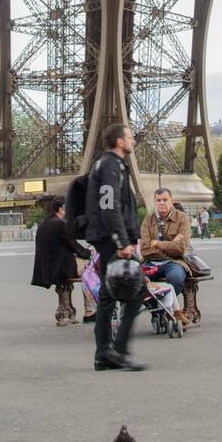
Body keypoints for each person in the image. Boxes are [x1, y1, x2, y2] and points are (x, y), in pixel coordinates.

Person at [84, 122, 145, 372]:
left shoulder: (108, 164)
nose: (133, 140)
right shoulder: (110, 165)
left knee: (109, 296)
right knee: (135, 289)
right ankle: (118, 350)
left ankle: (103, 354)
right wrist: (121, 242)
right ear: (119, 142)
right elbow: (109, 206)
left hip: (106, 237)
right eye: (130, 137)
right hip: (111, 240)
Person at [31, 197, 93, 325]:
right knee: (92, 269)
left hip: (49, 267)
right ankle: (90, 311)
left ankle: (69, 311)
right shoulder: (59, 224)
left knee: (87, 266)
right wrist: (90, 254)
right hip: (60, 267)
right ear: (60, 209)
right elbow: (73, 244)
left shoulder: (45, 223)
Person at [140, 188, 191, 328]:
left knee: (176, 278)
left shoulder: (182, 218)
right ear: (154, 202)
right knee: (135, 280)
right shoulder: (148, 219)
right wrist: (171, 245)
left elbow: (181, 248)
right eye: (158, 200)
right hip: (150, 262)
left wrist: (157, 243)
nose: (161, 203)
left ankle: (161, 310)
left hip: (173, 262)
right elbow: (144, 249)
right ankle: (163, 310)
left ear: (172, 201)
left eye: (165, 200)